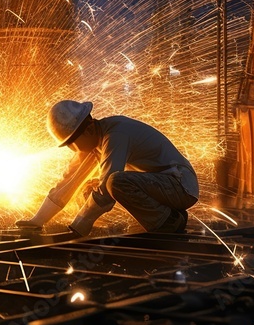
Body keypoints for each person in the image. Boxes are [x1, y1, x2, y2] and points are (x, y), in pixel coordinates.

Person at [17, 100, 198, 236]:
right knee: (91, 185)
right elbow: (68, 182)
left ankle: (169, 221)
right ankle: (169, 216)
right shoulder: (95, 140)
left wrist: (79, 227)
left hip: (180, 185)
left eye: (72, 143)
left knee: (115, 182)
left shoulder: (115, 135)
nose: (72, 150)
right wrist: (37, 221)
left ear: (87, 129)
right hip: (163, 186)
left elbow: (106, 188)